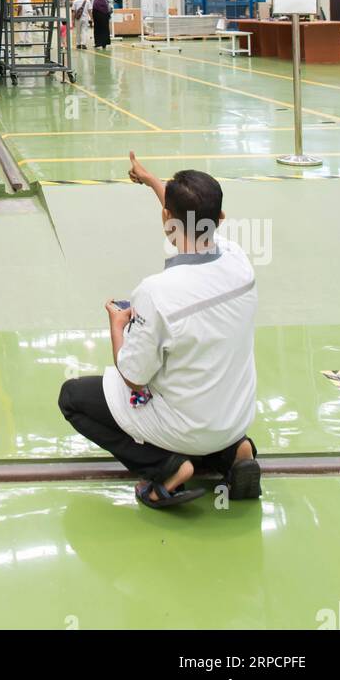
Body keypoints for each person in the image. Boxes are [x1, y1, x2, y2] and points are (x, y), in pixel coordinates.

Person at [58, 153, 260, 509]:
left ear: (167, 219)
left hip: (186, 427)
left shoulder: (157, 291)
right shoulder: (239, 260)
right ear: (221, 220)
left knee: (73, 398)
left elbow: (134, 377)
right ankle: (233, 453)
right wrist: (152, 181)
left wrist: (117, 326)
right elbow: (189, 216)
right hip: (234, 418)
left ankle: (166, 469)